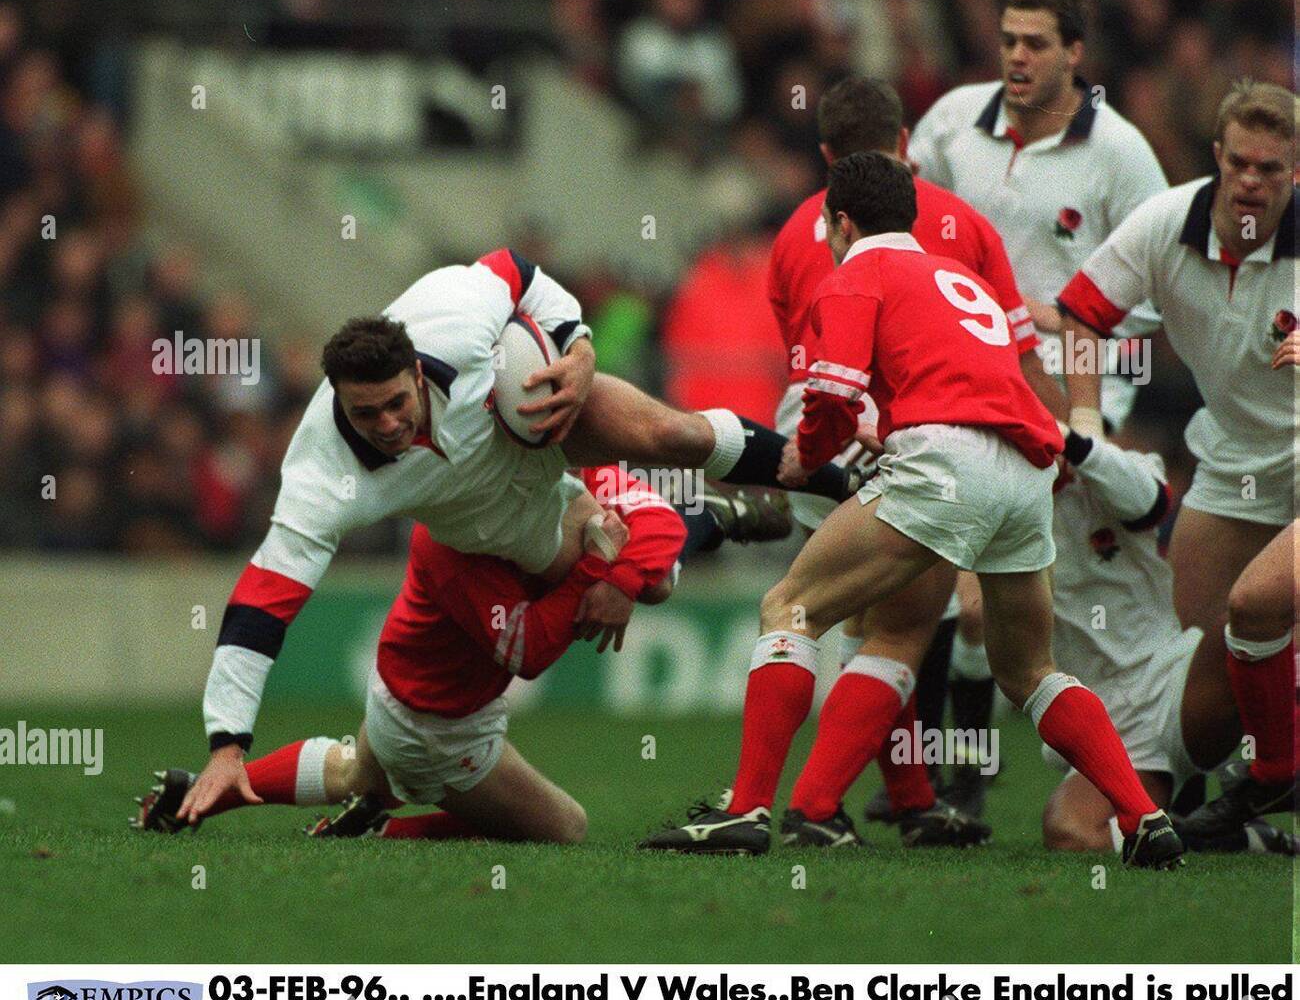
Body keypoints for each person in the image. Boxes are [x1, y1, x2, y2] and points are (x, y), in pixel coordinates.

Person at [641, 152, 1184, 870]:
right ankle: (1144, 816)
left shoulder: (855, 274)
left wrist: (809, 452)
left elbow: (829, 396)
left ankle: (744, 810)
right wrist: (886, 429)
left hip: (945, 465)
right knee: (1029, 669)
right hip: (1024, 468)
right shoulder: (960, 279)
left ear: (840, 223)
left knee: (790, 607)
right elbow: (971, 381)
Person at [180, 250, 853, 826]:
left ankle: (842, 476)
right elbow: (263, 601)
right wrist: (226, 743)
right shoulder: (323, 472)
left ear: (418, 371)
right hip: (511, 526)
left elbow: (520, 271)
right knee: (654, 571)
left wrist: (580, 349)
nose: (386, 424)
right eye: (365, 412)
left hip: (544, 438)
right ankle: (704, 518)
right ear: (336, 401)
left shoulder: (454, 318)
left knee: (672, 437)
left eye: (396, 403)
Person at [766, 74, 1050, 845]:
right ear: (905, 144)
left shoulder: (801, 228)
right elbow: (1016, 353)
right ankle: (818, 803)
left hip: (829, 431)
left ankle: (895, 798)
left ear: (827, 156)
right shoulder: (961, 225)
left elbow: (802, 352)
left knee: (866, 621)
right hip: (926, 437)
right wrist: (1059, 434)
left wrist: (803, 451)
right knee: (895, 625)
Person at [136, 465, 686, 842]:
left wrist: (624, 579)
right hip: (439, 724)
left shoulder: (565, 470)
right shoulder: (451, 538)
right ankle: (385, 830)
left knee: (355, 773)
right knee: (566, 826)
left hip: (404, 684)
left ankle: (204, 796)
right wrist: (596, 568)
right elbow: (530, 651)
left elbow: (660, 520)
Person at [908, 0, 1169, 735]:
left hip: (1066, 387)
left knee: (988, 587)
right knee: (945, 574)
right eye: (1008, 41)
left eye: (1036, 44)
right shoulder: (956, 121)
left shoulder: (1118, 150)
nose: (1017, 57)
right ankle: (940, 773)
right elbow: (905, 210)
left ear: (1075, 53)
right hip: (963, 372)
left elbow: (1159, 282)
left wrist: (1066, 313)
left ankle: (962, 767)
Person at [1057, 80, 1297, 843]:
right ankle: (1223, 821)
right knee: (1197, 668)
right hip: (1234, 463)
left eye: (1273, 168)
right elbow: (1080, 311)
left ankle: (1273, 779)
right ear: (1218, 159)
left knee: (1259, 604)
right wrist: (1088, 426)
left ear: (1296, 172)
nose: (1253, 182)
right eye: (1241, 165)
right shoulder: (1167, 222)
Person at [1039, 428, 1295, 856]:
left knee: (1256, 611)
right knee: (1072, 835)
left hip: (1174, 682)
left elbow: (1151, 501)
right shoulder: (1002, 493)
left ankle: (1277, 770)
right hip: (1106, 723)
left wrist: (1073, 443)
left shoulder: (1109, 469)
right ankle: (1215, 834)